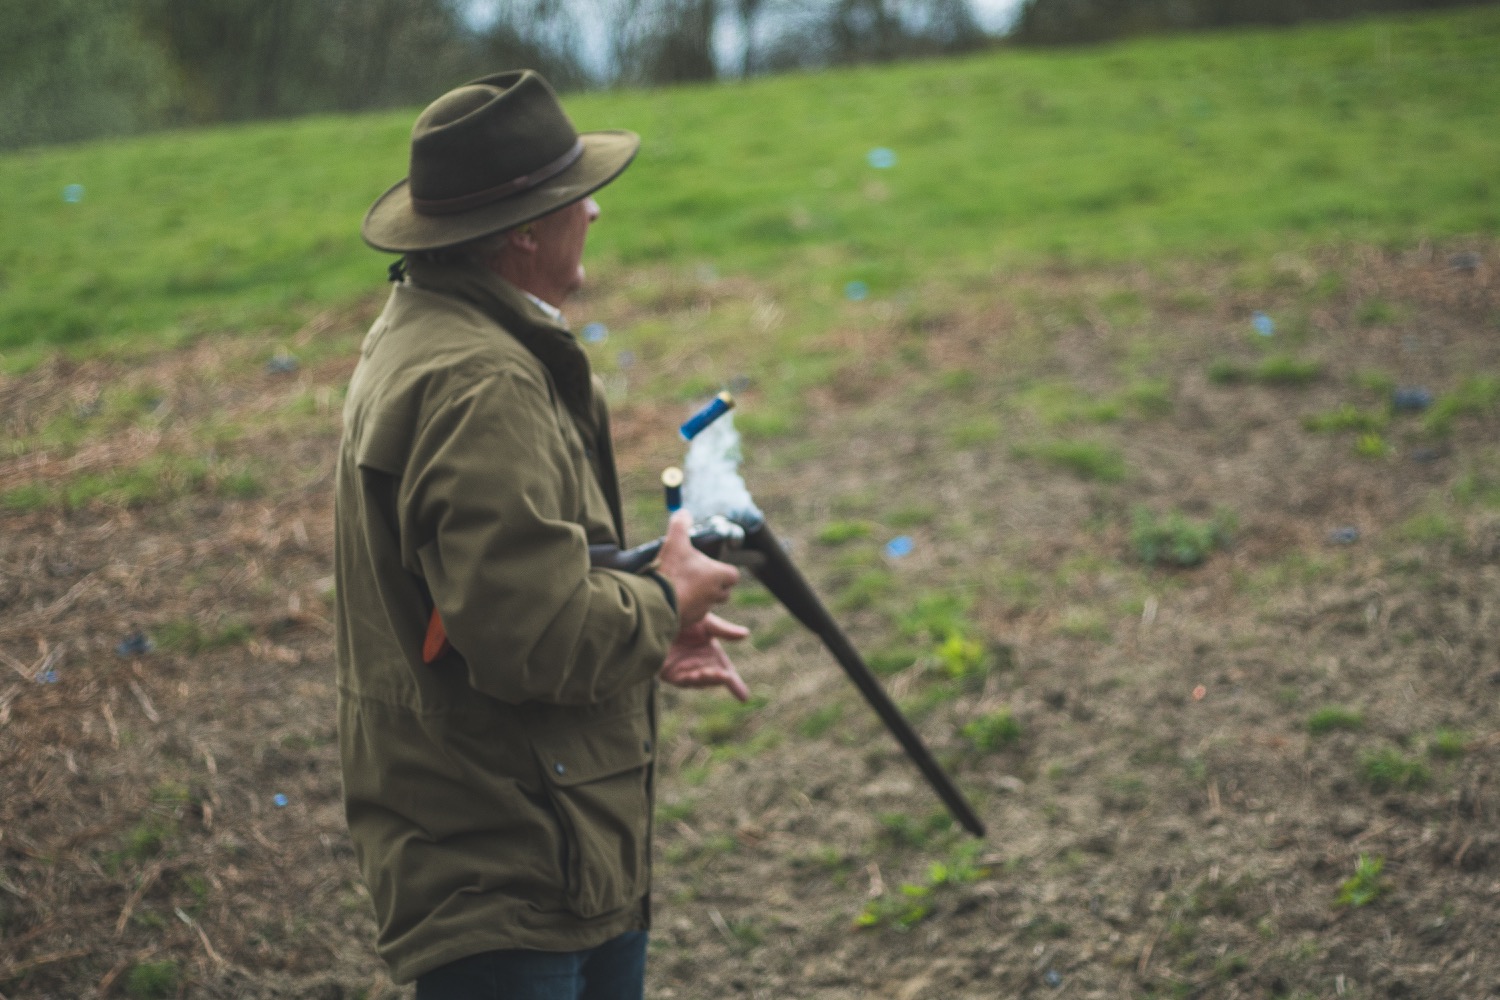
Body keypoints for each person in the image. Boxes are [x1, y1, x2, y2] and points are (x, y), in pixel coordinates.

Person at [333, 69, 750, 1000]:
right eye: (575, 198)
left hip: (531, 830)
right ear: (524, 230)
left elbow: (509, 586)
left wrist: (645, 624)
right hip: (510, 859)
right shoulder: (482, 382)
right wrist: (667, 597)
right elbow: (536, 634)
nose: (593, 215)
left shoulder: (430, 337)